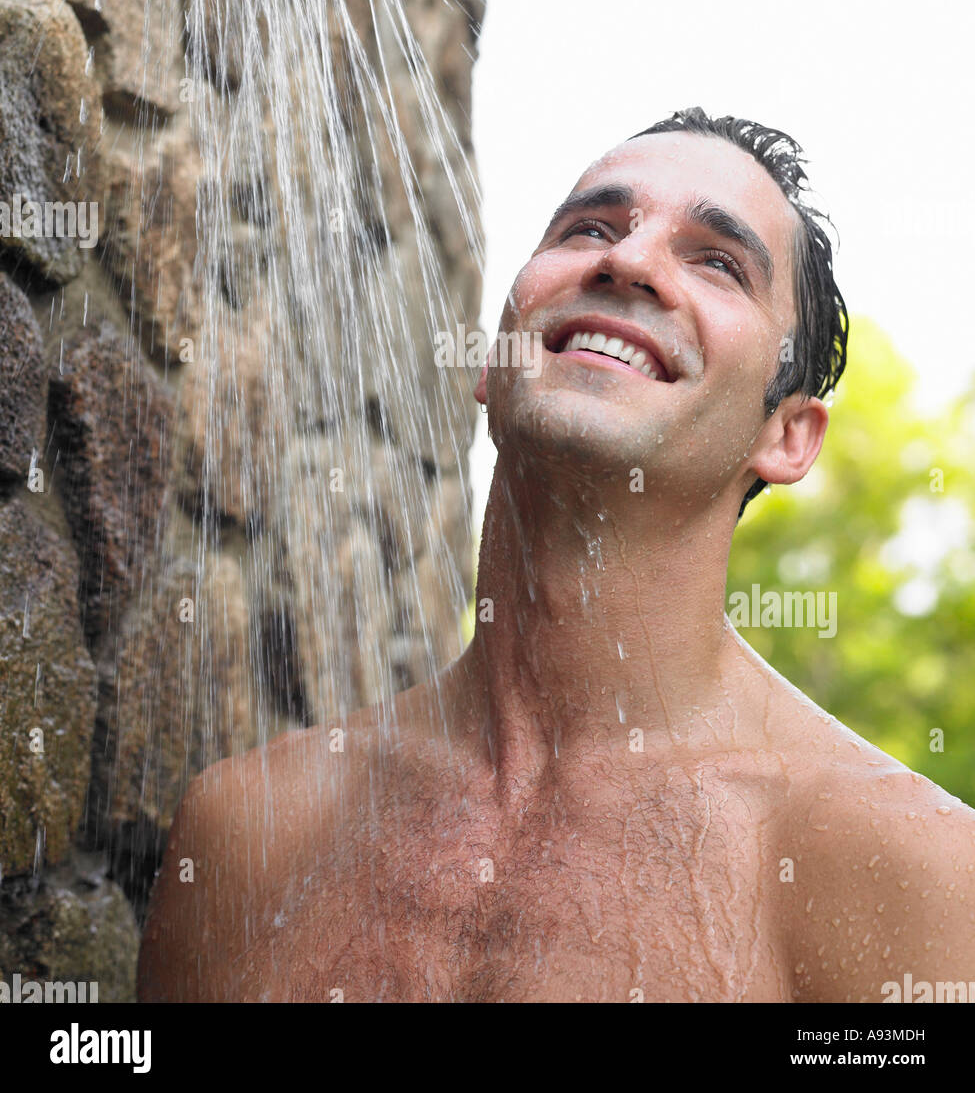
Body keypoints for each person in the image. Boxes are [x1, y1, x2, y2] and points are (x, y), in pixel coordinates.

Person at [138, 107, 975, 1003]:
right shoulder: (250, 833)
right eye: (590, 229)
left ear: (786, 435)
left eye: (717, 261)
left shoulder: (906, 871)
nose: (628, 261)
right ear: (491, 362)